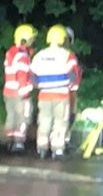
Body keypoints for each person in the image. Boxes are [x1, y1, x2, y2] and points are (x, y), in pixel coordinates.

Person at [30, 25, 81, 159]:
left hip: (44, 95)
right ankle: (57, 150)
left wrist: (40, 85)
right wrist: (72, 87)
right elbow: (73, 75)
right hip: (61, 95)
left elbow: (32, 76)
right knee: (60, 122)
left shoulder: (39, 55)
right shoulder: (67, 55)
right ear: (63, 39)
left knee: (44, 121)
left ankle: (41, 149)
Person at [1, 24, 36, 152]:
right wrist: (26, 90)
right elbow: (22, 75)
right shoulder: (22, 55)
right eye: (31, 38)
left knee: (11, 116)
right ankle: (19, 143)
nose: (33, 41)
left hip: (8, 92)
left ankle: (9, 141)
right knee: (23, 116)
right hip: (20, 93)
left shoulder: (11, 52)